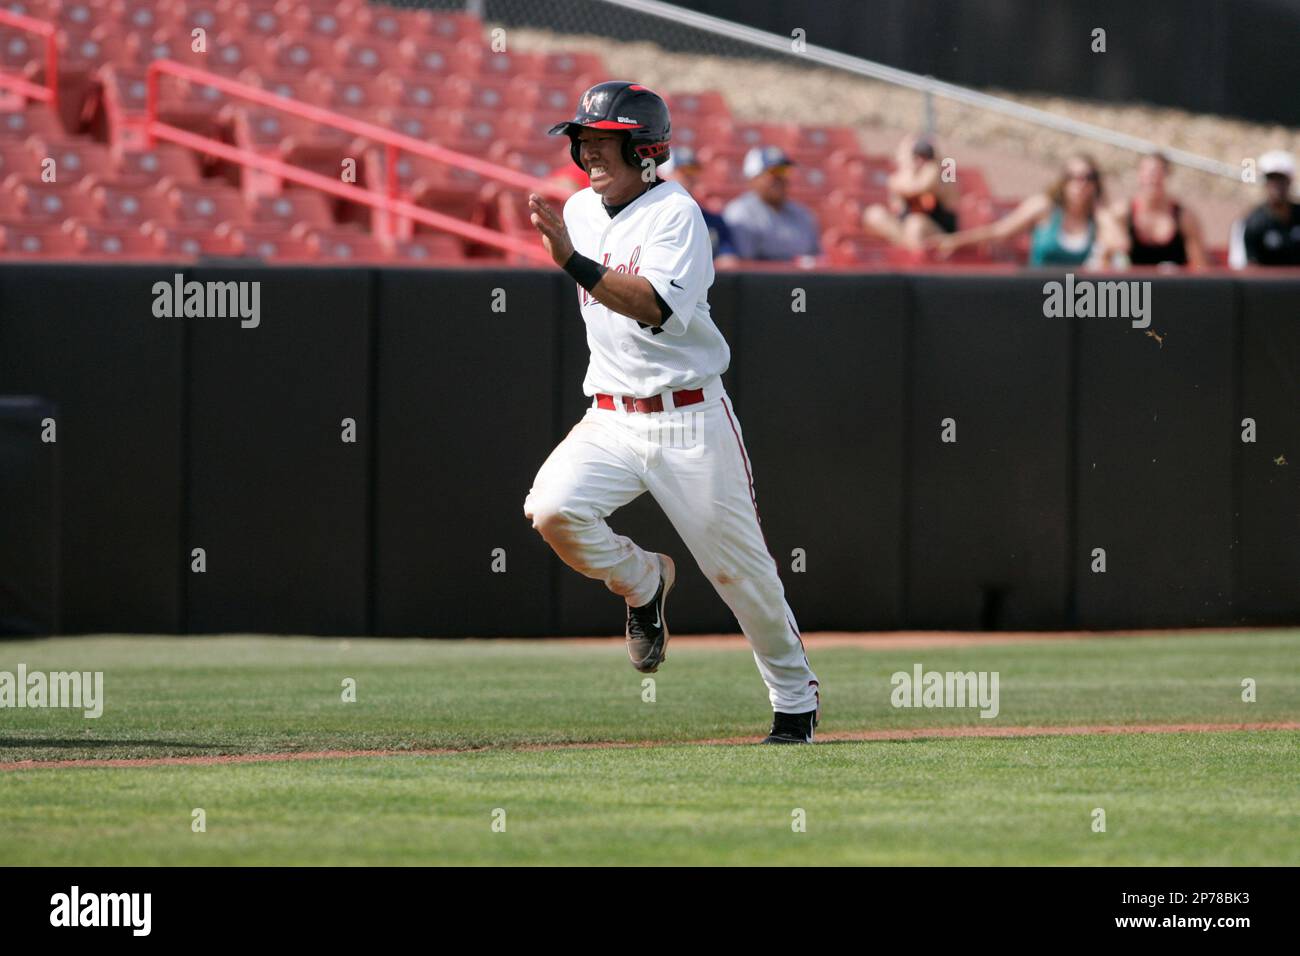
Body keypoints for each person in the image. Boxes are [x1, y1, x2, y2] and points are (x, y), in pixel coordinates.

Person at [524, 81, 820, 745]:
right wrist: (573, 249)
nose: (591, 151)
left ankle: (795, 699)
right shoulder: (579, 208)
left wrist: (571, 260)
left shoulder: (676, 213)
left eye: (606, 140)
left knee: (739, 573)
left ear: (646, 149)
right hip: (609, 414)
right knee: (552, 510)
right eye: (585, 140)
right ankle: (642, 579)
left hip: (688, 415)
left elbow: (654, 306)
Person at [932, 153, 1119, 266]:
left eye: (1089, 177)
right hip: (1040, 296)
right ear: (1063, 181)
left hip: (1078, 304)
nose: (1081, 184)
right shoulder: (1044, 206)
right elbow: (999, 232)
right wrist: (955, 240)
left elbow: (1120, 246)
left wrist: (1102, 213)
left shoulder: (1099, 218)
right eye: (1074, 177)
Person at [1106, 152, 1206, 268]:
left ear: (1167, 175)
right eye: (1147, 173)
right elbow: (1105, 258)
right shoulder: (1121, 213)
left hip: (1173, 285)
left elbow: (1200, 266)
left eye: (1157, 172)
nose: (1152, 178)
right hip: (1134, 285)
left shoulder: (1184, 217)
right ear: (1139, 175)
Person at [721, 145, 820, 261]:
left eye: (783, 171)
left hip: (803, 279)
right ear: (753, 178)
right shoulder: (740, 213)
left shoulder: (802, 214)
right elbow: (745, 264)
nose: (779, 178)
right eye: (773, 171)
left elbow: (816, 259)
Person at [863, 134, 959, 251]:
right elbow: (898, 200)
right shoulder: (903, 176)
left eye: (925, 156)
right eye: (916, 155)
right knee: (875, 214)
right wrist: (907, 164)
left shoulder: (943, 176)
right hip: (907, 228)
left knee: (916, 223)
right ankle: (907, 248)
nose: (920, 160)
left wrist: (933, 164)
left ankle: (911, 252)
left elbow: (923, 186)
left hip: (936, 229)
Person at [661, 146, 740, 265]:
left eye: (693, 170)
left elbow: (727, 257)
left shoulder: (712, 220)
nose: (690, 177)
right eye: (683, 171)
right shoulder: (651, 214)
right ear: (665, 174)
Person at [1233, 150, 1300, 267]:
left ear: (1289, 181)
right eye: (1271, 179)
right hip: (1265, 285)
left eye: (1281, 179)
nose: (1276, 185)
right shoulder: (1253, 222)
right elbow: (1247, 266)